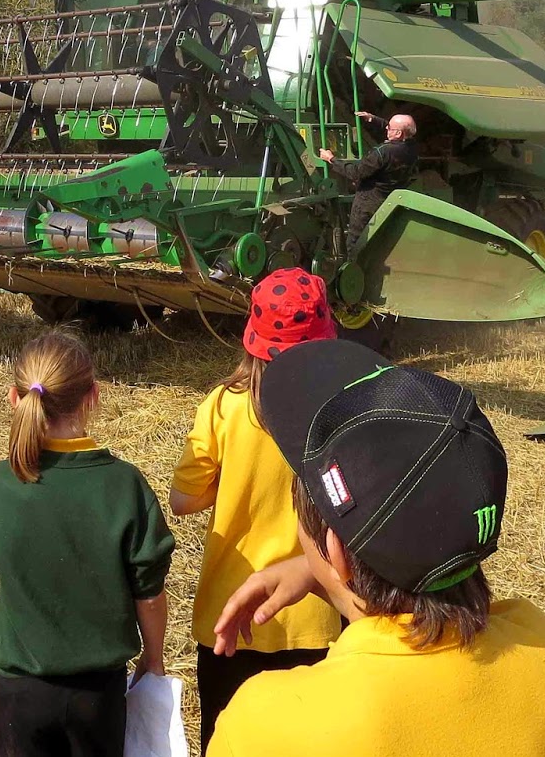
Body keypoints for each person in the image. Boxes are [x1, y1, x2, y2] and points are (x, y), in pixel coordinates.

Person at [205, 339, 545, 757]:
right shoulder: (540, 646)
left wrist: (323, 571)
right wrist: (318, 570)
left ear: (337, 552)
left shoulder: (268, 721)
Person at [0, 329, 175, 757]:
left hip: (19, 691)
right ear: (93, 397)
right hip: (99, 692)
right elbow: (149, 594)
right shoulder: (124, 485)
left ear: (13, 398)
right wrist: (153, 660)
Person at [168, 268, 343, 752]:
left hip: (233, 616)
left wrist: (229, 486)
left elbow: (182, 501)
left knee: (225, 741)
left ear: (252, 338)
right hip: (318, 613)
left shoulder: (223, 406)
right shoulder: (340, 411)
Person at [318, 112, 418, 254]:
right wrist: (373, 119)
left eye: (389, 127)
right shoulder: (412, 147)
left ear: (398, 133)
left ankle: (351, 270)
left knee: (355, 241)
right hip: (390, 200)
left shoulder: (382, 153)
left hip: (368, 202)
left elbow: (355, 172)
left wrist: (332, 159)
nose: (386, 129)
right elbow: (401, 129)